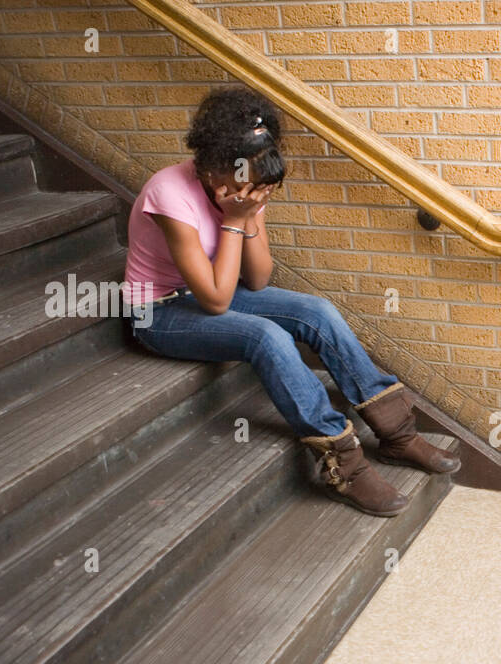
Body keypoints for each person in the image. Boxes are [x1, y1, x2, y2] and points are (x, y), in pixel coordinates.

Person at [122, 85, 457, 516]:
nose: (256, 192)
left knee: (316, 311)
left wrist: (247, 215)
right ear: (211, 170)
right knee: (265, 336)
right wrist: (235, 220)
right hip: (160, 311)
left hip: (216, 289)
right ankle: (346, 465)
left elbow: (259, 279)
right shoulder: (169, 193)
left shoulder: (245, 186)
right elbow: (217, 301)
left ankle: (397, 434)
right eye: (248, 183)